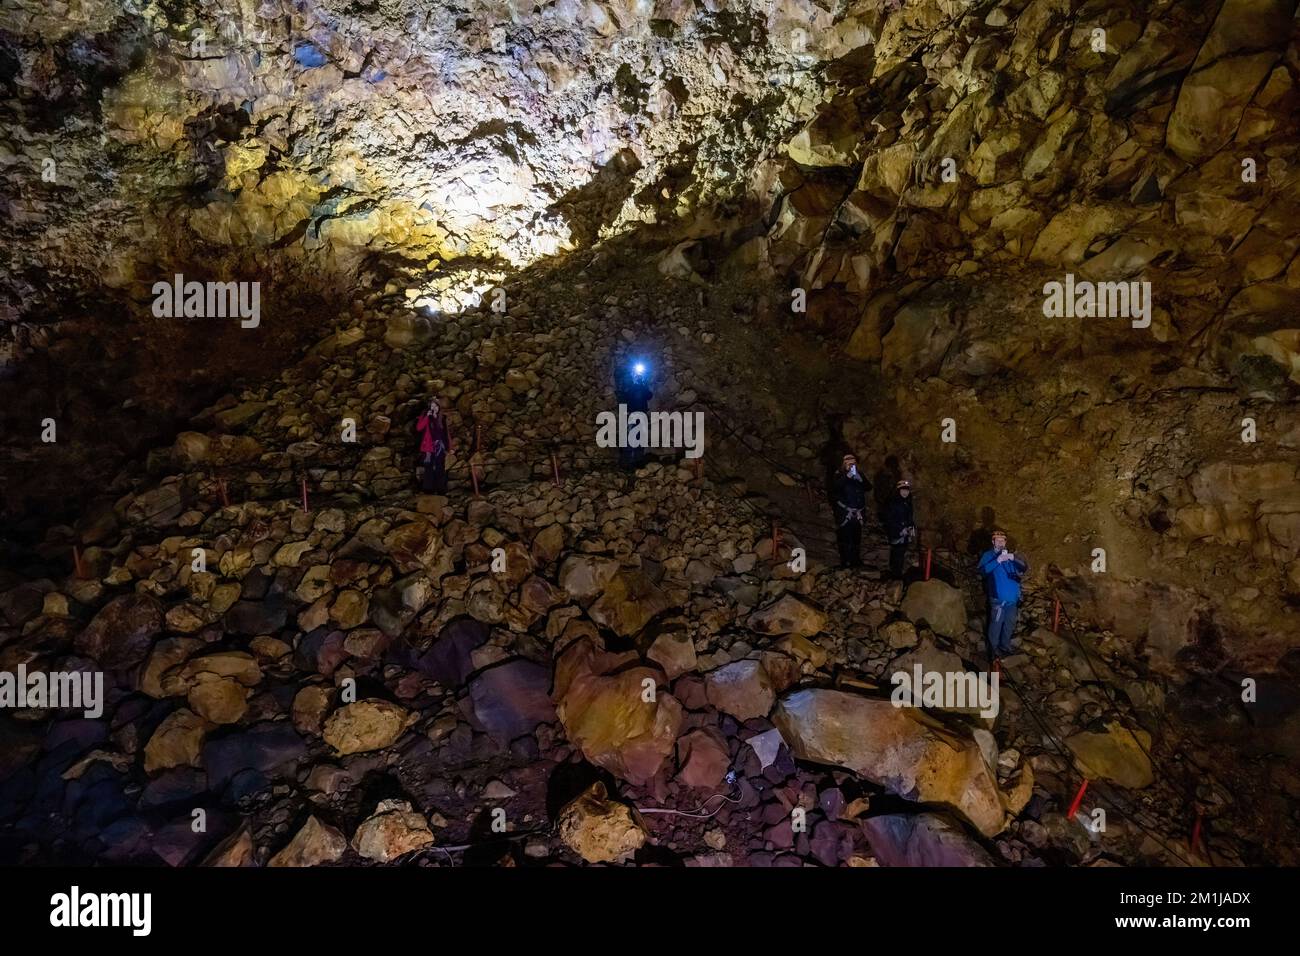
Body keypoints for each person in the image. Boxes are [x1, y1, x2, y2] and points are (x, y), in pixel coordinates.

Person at [978, 530, 1028, 663]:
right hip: (998, 599)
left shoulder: (1010, 555)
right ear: (993, 541)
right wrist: (997, 560)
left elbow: (1024, 568)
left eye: (1003, 540)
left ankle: (1005, 646)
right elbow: (982, 571)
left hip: (1012, 599)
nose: (1001, 542)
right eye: (998, 540)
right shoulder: (988, 555)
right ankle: (993, 651)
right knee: (996, 624)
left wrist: (1013, 558)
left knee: (1009, 624)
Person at [832, 453, 869, 568]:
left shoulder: (859, 475)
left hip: (858, 514)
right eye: (849, 464)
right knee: (846, 538)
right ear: (844, 465)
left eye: (853, 464)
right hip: (845, 513)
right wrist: (847, 477)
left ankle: (855, 560)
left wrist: (860, 479)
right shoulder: (839, 475)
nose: (851, 466)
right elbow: (835, 487)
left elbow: (868, 487)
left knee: (856, 538)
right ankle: (846, 561)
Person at [616, 360, 653, 471]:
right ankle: (628, 462)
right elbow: (624, 396)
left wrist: (643, 383)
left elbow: (649, 396)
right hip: (631, 414)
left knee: (640, 438)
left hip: (641, 414)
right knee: (630, 438)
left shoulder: (641, 385)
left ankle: (638, 461)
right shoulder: (628, 385)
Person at [415, 397, 450, 494]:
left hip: (440, 445)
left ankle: (441, 488)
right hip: (429, 446)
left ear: (439, 407)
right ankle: (428, 488)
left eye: (436, 406)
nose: (434, 408)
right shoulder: (426, 416)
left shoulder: (442, 418)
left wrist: (448, 446)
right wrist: (427, 417)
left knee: (440, 466)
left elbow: (445, 433)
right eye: (432, 406)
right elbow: (419, 428)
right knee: (429, 466)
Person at [883, 478, 916, 579]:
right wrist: (901, 528)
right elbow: (889, 519)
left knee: (901, 553)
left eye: (907, 490)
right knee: (897, 553)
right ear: (898, 490)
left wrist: (911, 527)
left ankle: (897, 573)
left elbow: (909, 518)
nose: (905, 492)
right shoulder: (893, 503)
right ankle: (895, 574)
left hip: (904, 534)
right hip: (896, 533)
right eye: (903, 490)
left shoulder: (908, 503)